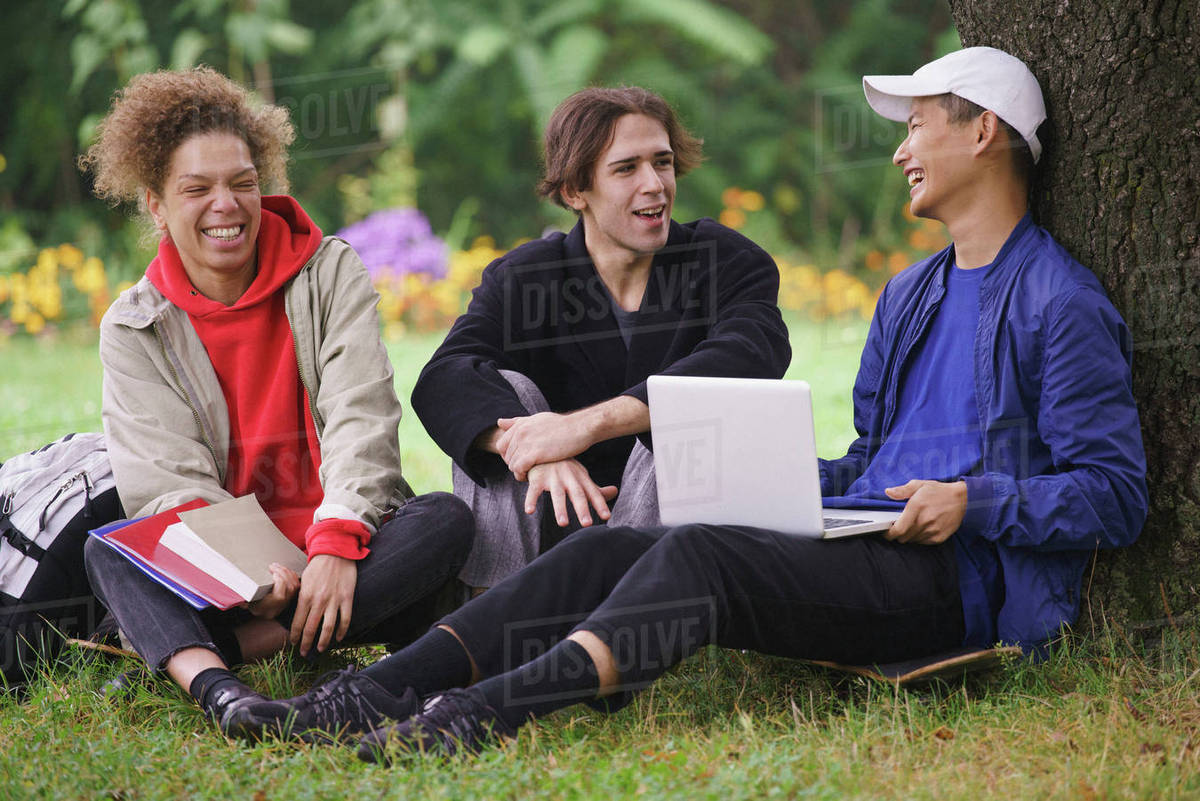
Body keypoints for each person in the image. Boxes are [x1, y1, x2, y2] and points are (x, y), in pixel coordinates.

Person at [228, 48, 1148, 760]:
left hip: (961, 586)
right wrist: (788, 480)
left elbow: (1115, 493)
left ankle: (481, 713)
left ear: (984, 132)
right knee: (617, 545)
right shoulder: (913, 295)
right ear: (580, 187)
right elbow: (874, 454)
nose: (902, 149)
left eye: (919, 128)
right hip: (867, 540)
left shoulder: (1061, 304)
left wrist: (972, 501)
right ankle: (365, 692)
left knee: (698, 551)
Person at [78, 66, 474, 730]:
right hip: (227, 575)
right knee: (107, 548)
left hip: (349, 555)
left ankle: (214, 657)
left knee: (444, 521)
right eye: (196, 189)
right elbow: (166, 480)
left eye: (242, 183)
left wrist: (334, 542)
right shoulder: (133, 323)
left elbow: (361, 414)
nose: (225, 205)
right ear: (155, 203)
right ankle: (229, 699)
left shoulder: (331, 270)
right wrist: (248, 578)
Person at [410, 87, 791, 591]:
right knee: (505, 396)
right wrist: (531, 445)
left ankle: (625, 618)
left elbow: (751, 353)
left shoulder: (725, 260)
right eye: (626, 168)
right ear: (574, 191)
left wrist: (587, 426)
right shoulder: (526, 278)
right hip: (550, 525)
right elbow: (444, 376)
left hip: (671, 545)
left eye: (663, 162)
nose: (654, 184)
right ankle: (493, 610)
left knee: (687, 409)